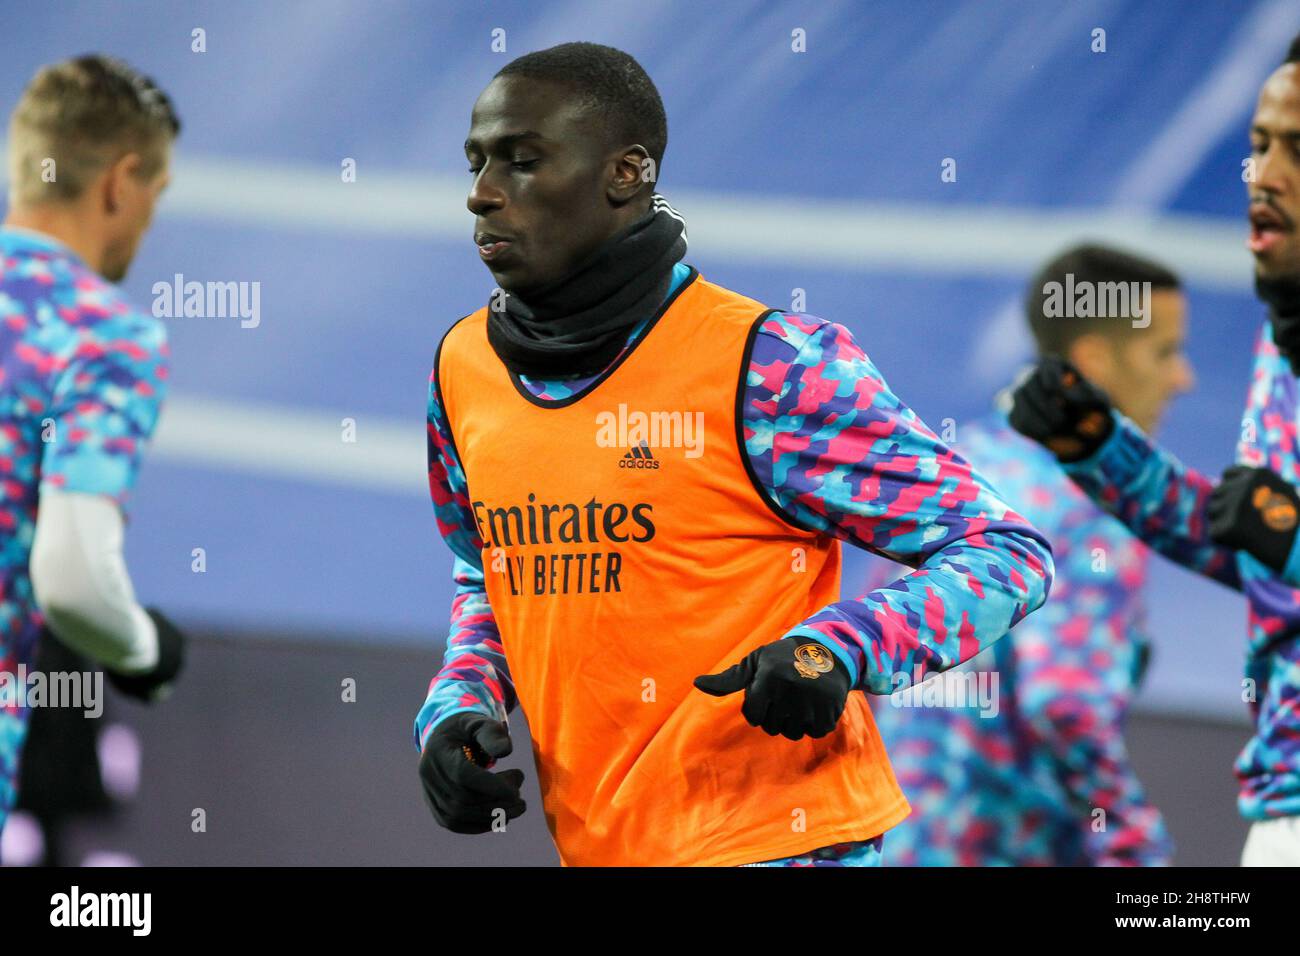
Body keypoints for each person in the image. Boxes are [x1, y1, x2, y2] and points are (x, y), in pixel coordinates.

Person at [416, 41, 1053, 867]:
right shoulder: (462, 366)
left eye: (523, 161)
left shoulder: (773, 367)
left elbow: (1006, 551)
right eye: (476, 162)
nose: (482, 194)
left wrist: (842, 647)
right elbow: (487, 572)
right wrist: (456, 705)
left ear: (627, 173)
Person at [1008, 35, 1300, 867]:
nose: (1264, 177)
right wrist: (1102, 451)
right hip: (1281, 804)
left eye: (1298, 150)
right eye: (1258, 145)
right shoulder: (1281, 349)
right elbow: (1254, 547)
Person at [871, 244, 1192, 865]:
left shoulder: (955, 470)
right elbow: (1068, 703)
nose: (1184, 379)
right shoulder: (1094, 501)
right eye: (1166, 353)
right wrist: (1136, 851)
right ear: (1095, 363)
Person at [0, 54, 187, 845]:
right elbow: (74, 580)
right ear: (122, 180)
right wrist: (145, 648)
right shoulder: (102, 333)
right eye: (157, 194)